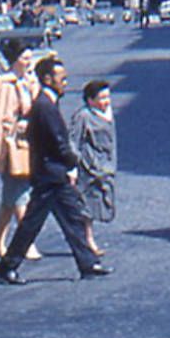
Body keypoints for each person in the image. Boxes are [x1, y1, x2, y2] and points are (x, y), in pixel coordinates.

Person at [0, 57, 112, 285]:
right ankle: (7, 266)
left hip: (51, 173)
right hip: (50, 174)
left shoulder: (46, 103)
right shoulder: (45, 106)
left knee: (72, 218)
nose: (65, 81)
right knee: (32, 223)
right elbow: (59, 142)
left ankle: (87, 263)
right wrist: (72, 163)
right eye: (61, 78)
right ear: (47, 79)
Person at [0, 38, 42, 260]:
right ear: (15, 61)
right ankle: (25, 243)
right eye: (25, 58)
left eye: (31, 58)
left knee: (10, 198)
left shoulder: (30, 82)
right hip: (7, 146)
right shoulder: (2, 85)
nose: (29, 62)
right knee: (20, 193)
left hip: (26, 145)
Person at [69, 80, 117, 257]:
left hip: (106, 167)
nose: (106, 101)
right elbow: (74, 142)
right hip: (89, 168)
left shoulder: (108, 114)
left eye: (107, 97)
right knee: (86, 206)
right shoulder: (83, 116)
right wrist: (73, 167)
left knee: (101, 203)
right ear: (90, 100)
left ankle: (85, 239)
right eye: (101, 98)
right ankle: (88, 241)